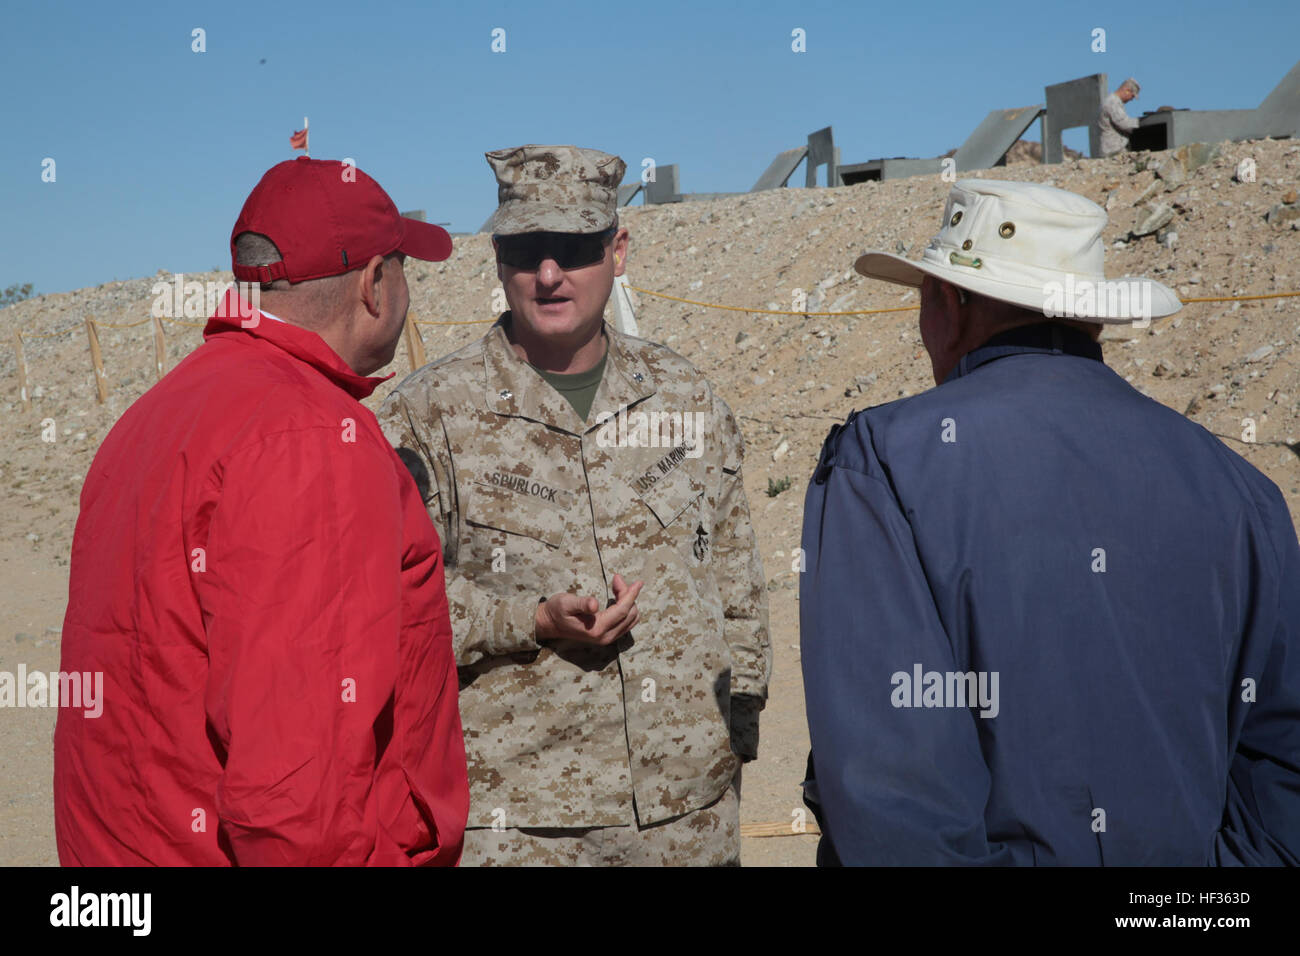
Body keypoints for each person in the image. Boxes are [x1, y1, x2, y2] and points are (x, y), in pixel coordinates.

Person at [799, 178, 1300, 865]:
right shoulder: (1241, 488)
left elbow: (891, 790)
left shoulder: (883, 462)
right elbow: (1282, 768)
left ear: (948, 301)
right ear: (1090, 315)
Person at [54, 157, 469, 866]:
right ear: (374, 284)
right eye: (401, 268)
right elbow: (299, 787)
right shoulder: (311, 439)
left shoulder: (158, 413)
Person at [378, 144, 771, 866]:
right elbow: (390, 600)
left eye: (573, 248)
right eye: (528, 250)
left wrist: (735, 729)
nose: (550, 274)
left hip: (688, 814)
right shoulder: (426, 416)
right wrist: (525, 619)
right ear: (499, 258)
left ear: (617, 250)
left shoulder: (683, 397)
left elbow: (736, 577)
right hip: (521, 822)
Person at [1098, 77, 1141, 157]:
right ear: (1127, 91)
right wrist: (1141, 122)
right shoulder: (1112, 102)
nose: (1131, 100)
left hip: (1113, 149)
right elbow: (1124, 123)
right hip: (1113, 150)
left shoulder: (1113, 101)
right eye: (1132, 96)